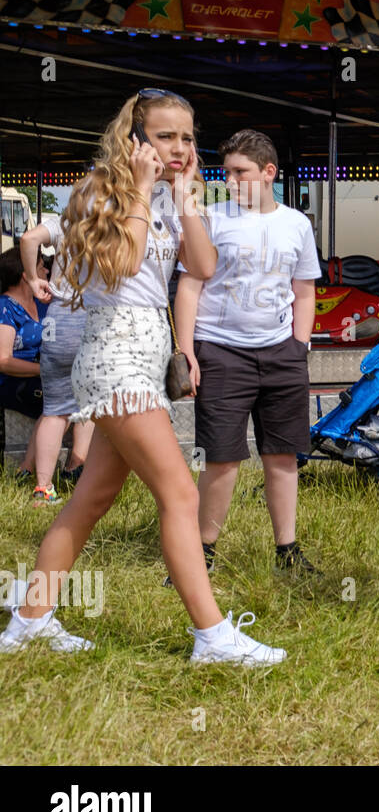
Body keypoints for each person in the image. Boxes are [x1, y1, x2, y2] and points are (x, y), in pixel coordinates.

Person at [0, 88, 284, 664]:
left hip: (147, 359)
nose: (178, 148)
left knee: (92, 497)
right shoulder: (97, 192)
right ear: (134, 139)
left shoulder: (171, 197)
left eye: (186, 137)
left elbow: (203, 267)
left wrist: (183, 201)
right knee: (180, 491)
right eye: (164, 136)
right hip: (115, 358)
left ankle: (29, 620)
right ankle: (212, 635)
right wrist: (136, 190)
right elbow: (124, 263)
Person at [174, 128, 321, 580]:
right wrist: (187, 351)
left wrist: (300, 345)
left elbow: (304, 290)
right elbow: (189, 286)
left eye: (240, 172)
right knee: (222, 456)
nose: (231, 180)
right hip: (220, 350)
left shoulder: (297, 223)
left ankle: (288, 552)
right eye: (227, 172)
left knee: (283, 454)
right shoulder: (211, 219)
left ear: (269, 172)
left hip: (281, 353)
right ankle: (202, 554)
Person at [19, 216, 96, 504]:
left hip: (59, 318)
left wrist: (34, 279)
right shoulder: (116, 220)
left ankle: (43, 487)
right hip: (94, 317)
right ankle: (78, 468)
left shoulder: (65, 221)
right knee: (89, 405)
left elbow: (27, 239)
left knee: (54, 410)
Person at [0, 248, 58, 502]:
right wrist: (44, 370)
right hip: (13, 381)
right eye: (41, 265)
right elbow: (3, 361)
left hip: (43, 376)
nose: (47, 269)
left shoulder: (43, 304)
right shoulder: (5, 307)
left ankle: (73, 468)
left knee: (69, 393)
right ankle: (27, 470)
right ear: (26, 275)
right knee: (58, 399)